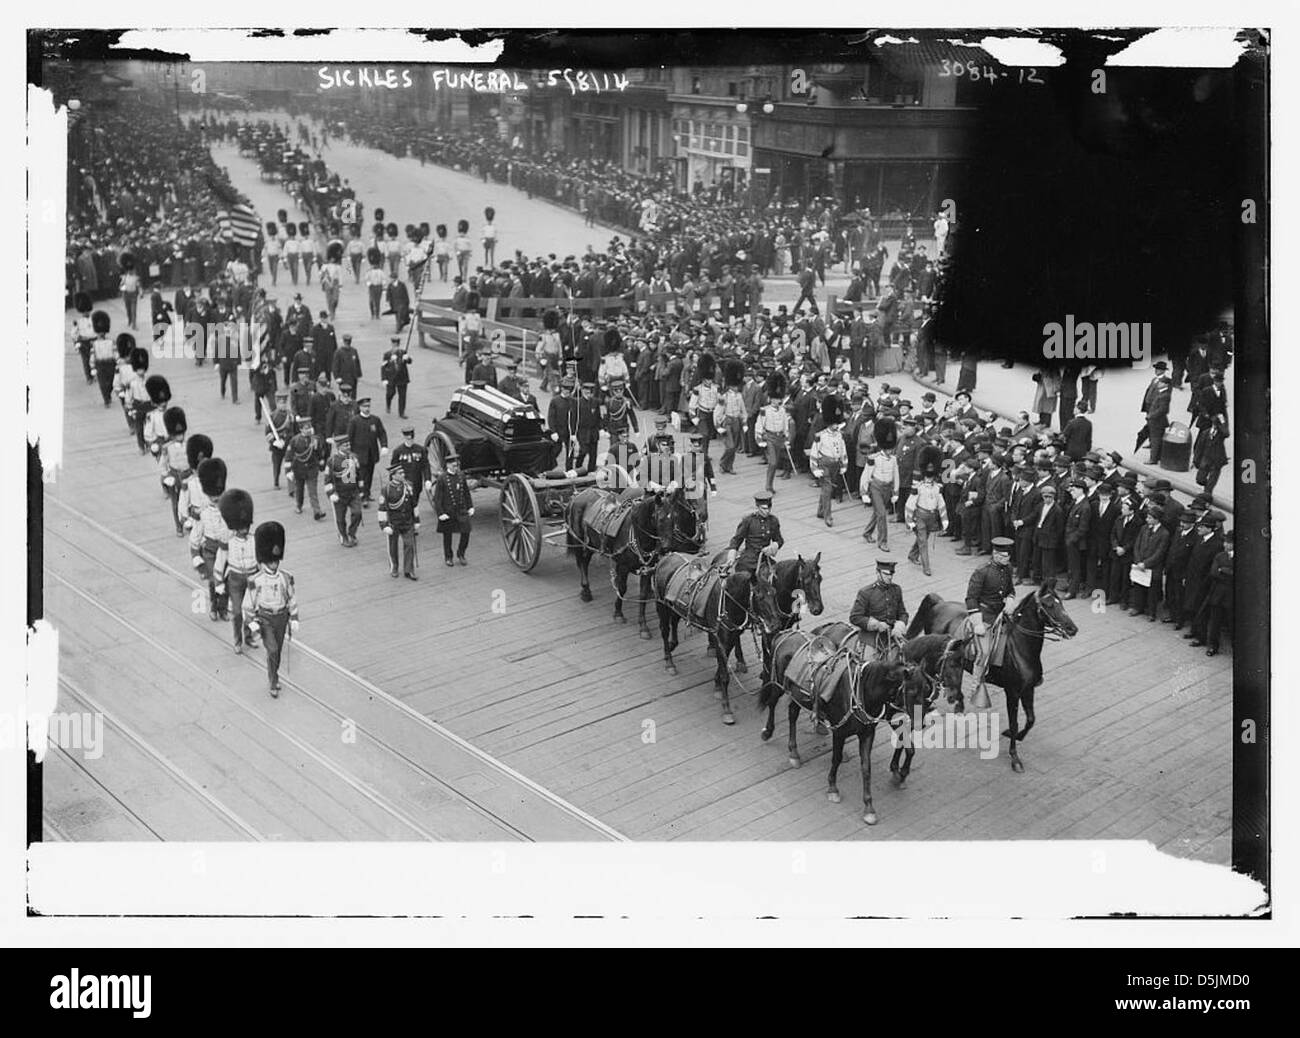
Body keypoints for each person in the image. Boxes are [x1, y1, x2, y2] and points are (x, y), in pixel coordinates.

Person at [244, 521, 299, 698]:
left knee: (278, 651)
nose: (274, 564)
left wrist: (295, 618)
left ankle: (274, 676)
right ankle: (273, 681)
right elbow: (248, 603)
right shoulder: (255, 580)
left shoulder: (286, 577)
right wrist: (251, 621)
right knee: (273, 650)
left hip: (281, 617)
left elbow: (291, 597)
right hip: (265, 618)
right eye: (271, 561)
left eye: (276, 560)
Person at [965, 537, 1018, 701]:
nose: (1006, 560)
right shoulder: (982, 571)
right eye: (1003, 556)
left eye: (1008, 557)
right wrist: (977, 622)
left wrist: (1010, 599)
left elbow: (1010, 589)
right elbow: (971, 598)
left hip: (1002, 613)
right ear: (995, 554)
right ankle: (976, 683)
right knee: (985, 651)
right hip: (985, 615)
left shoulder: (1007, 569)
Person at [188, 458, 231, 622]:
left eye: (218, 495)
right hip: (211, 549)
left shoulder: (227, 507)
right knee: (214, 579)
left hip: (225, 548)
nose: (216, 498)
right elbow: (197, 533)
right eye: (213, 495)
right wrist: (195, 553)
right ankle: (214, 607)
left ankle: (223, 608)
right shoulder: (203, 510)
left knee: (225, 579)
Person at [213, 489, 256, 654]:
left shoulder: (254, 540)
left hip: (251, 579)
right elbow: (220, 561)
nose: (244, 530)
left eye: (246, 526)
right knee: (237, 612)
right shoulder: (228, 542)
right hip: (236, 580)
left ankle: (249, 636)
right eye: (241, 527)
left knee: (250, 612)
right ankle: (237, 640)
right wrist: (218, 582)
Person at [848, 559, 909, 656]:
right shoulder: (866, 592)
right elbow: (855, 617)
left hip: (894, 634)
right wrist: (876, 624)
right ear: (877, 573)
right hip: (871, 637)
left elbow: (902, 613)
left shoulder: (896, 589)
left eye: (891, 574)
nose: (889, 577)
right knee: (870, 665)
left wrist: (900, 625)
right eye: (886, 574)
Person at [905, 444, 948, 576]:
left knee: (922, 538)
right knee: (923, 542)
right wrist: (909, 520)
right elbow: (910, 504)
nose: (929, 479)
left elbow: (941, 504)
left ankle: (912, 554)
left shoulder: (937, 487)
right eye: (928, 477)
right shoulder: (918, 487)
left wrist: (945, 519)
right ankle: (926, 567)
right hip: (921, 517)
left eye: (931, 477)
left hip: (932, 518)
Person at [1189, 529, 1232, 656]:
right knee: (1215, 622)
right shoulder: (1220, 556)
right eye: (1225, 542)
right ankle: (1213, 646)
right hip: (1217, 595)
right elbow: (1214, 573)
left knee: (1232, 622)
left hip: (1231, 596)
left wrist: (1223, 570)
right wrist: (1226, 572)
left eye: (1228, 543)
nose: (1225, 545)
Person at [861, 416, 899, 549]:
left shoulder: (893, 459)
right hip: (876, 487)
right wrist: (864, 491)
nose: (890, 451)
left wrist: (896, 491)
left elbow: (896, 475)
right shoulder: (873, 458)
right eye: (888, 449)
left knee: (878, 512)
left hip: (887, 488)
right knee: (882, 514)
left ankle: (867, 532)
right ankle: (883, 542)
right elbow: (866, 475)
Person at [1128, 504, 1171, 619]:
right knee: (1138, 587)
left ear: (1157, 519)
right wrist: (1138, 560)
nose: (1147, 520)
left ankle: (1151, 612)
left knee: (1152, 590)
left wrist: (1146, 563)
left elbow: (1160, 552)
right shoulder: (1144, 528)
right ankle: (1138, 607)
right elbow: (1137, 544)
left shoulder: (1164, 533)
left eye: (1150, 518)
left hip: (1153, 567)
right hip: (1140, 563)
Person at [810, 395, 847, 527]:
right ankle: (828, 516)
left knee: (827, 489)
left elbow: (843, 450)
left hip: (835, 465)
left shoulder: (840, 435)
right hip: (824, 464)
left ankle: (820, 510)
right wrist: (815, 469)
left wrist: (844, 464)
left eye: (837, 423)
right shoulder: (820, 436)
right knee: (828, 490)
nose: (835, 426)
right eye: (833, 423)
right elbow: (814, 453)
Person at [378, 460, 420, 579]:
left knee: (409, 545)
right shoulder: (386, 490)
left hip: (407, 521)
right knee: (393, 546)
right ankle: (394, 566)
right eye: (400, 473)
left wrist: (417, 521)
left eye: (403, 473)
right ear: (394, 475)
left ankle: (409, 570)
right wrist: (384, 525)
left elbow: (414, 504)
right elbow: (382, 509)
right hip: (393, 523)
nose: (403, 475)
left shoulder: (409, 486)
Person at [726, 491, 783, 573]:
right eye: (764, 508)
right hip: (748, 560)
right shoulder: (748, 520)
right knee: (742, 579)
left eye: (769, 508)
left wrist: (774, 545)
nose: (767, 511)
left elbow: (779, 539)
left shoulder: (773, 521)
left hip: (765, 559)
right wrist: (732, 554)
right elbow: (737, 540)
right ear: (757, 507)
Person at [433, 453, 474, 566]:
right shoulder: (442, 478)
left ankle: (461, 553)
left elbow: (466, 493)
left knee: (466, 531)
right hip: (448, 511)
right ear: (448, 465)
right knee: (447, 535)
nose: (456, 468)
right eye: (454, 465)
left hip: (461, 510)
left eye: (457, 466)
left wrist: (470, 506)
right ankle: (448, 557)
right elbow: (437, 498)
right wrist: (440, 513)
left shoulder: (461, 476)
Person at [323, 434, 364, 547]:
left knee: (357, 513)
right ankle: (343, 536)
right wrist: (331, 494)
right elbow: (327, 480)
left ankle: (352, 533)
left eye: (348, 444)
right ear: (339, 447)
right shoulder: (332, 461)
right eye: (345, 445)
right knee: (340, 518)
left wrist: (361, 490)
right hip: (340, 494)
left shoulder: (353, 457)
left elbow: (359, 475)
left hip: (353, 492)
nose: (348, 446)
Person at [347, 397, 389, 504]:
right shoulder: (354, 421)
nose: (367, 409)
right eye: (364, 406)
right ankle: (363, 496)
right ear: (360, 407)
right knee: (361, 475)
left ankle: (367, 492)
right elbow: (349, 437)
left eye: (368, 406)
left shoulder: (375, 420)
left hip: (371, 453)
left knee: (369, 474)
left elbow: (382, 433)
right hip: (359, 454)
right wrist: (350, 453)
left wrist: (384, 445)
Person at [755, 372, 792, 493]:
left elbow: (785, 425)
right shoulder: (764, 411)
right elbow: (759, 425)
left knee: (775, 464)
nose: (778, 401)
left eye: (779, 398)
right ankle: (768, 486)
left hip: (779, 438)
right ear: (771, 398)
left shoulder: (783, 410)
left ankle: (770, 484)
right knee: (772, 462)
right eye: (775, 399)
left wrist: (787, 438)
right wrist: (760, 439)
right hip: (769, 437)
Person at [285, 416, 327, 520]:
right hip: (298, 469)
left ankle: (317, 511)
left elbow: (321, 452)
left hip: (312, 469)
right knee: (299, 489)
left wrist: (321, 462)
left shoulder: (315, 439)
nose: (308, 430)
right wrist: (288, 471)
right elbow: (289, 456)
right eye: (306, 428)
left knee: (313, 491)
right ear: (301, 429)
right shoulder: (295, 440)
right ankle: (299, 505)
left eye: (309, 428)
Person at [1138, 361, 1173, 463]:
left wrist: (1153, 412)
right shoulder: (1154, 379)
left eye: (1158, 369)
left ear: (1162, 370)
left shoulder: (1164, 382)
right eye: (1156, 369)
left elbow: (1162, 403)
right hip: (1151, 407)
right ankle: (1151, 443)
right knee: (1151, 429)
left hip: (1156, 410)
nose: (1156, 371)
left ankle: (1154, 455)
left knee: (1155, 434)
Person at [1031, 483, 1065, 584]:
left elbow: (1060, 528)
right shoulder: (1040, 506)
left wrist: (1055, 540)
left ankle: (1048, 582)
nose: (1047, 499)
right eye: (1045, 497)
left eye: (1050, 497)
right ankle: (1037, 579)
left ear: (1054, 497)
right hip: (1039, 536)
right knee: (1036, 560)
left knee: (1048, 563)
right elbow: (1033, 516)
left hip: (1050, 539)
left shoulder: (1057, 510)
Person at [381, 337, 413, 418]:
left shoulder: (403, 352)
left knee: (402, 395)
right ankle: (388, 403)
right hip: (391, 377)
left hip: (402, 377)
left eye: (397, 345)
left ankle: (401, 412)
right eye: (394, 345)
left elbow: (409, 361)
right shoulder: (387, 354)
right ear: (392, 344)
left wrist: (407, 358)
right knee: (390, 393)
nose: (396, 347)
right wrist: (384, 379)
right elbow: (383, 367)